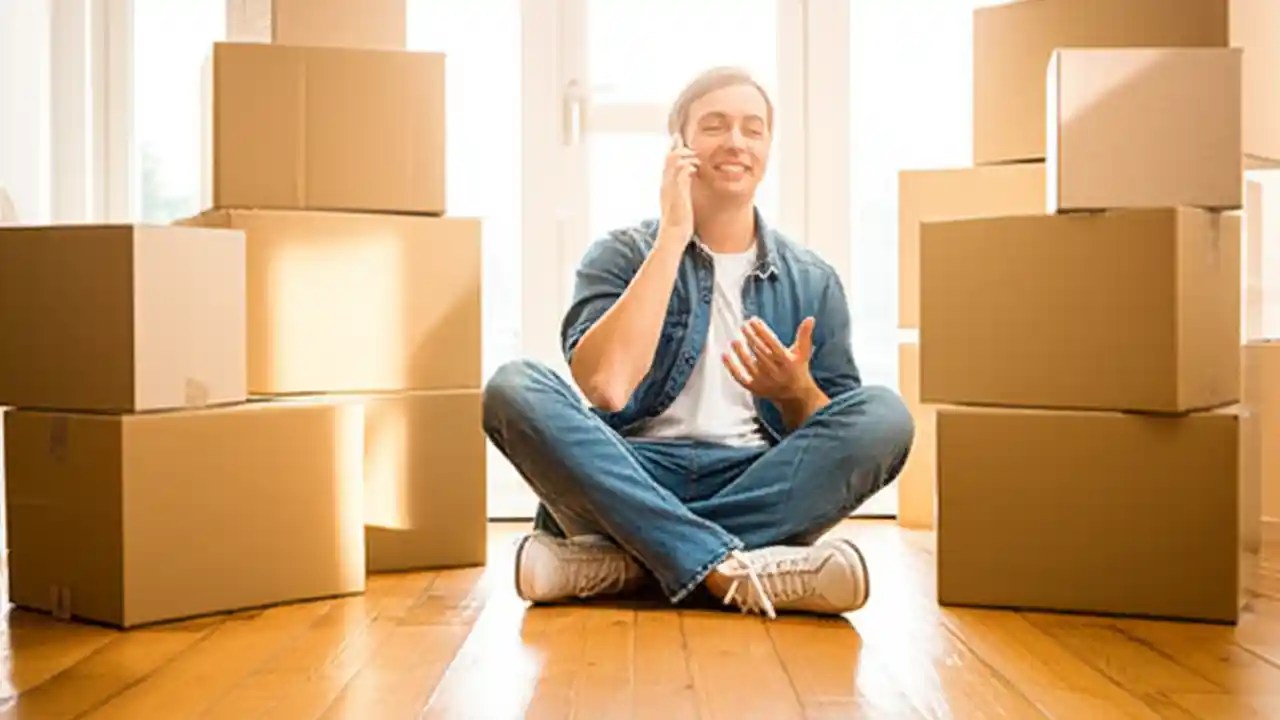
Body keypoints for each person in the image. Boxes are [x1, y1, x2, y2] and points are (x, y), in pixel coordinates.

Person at [482, 66, 914, 619]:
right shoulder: (619, 254)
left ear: (767, 149)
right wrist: (672, 236)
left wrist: (796, 391)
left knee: (886, 416)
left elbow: (836, 437)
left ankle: (626, 561)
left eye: (752, 129)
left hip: (752, 476)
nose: (736, 141)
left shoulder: (813, 279)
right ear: (678, 146)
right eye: (715, 125)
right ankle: (732, 562)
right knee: (513, 387)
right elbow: (608, 389)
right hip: (629, 471)